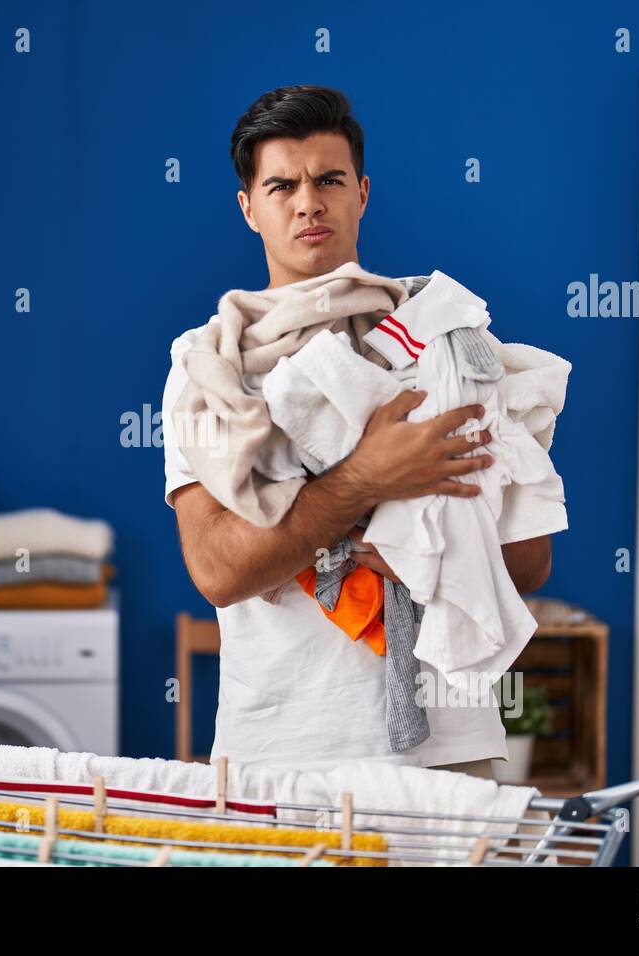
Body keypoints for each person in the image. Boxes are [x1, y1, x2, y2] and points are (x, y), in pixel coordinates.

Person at [162, 85, 556, 778]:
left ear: (362, 192)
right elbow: (220, 572)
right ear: (248, 208)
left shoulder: (446, 343)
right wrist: (368, 480)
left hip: (450, 752)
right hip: (281, 752)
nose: (307, 201)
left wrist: (414, 549)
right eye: (281, 185)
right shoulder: (209, 370)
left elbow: (528, 565)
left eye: (328, 180)